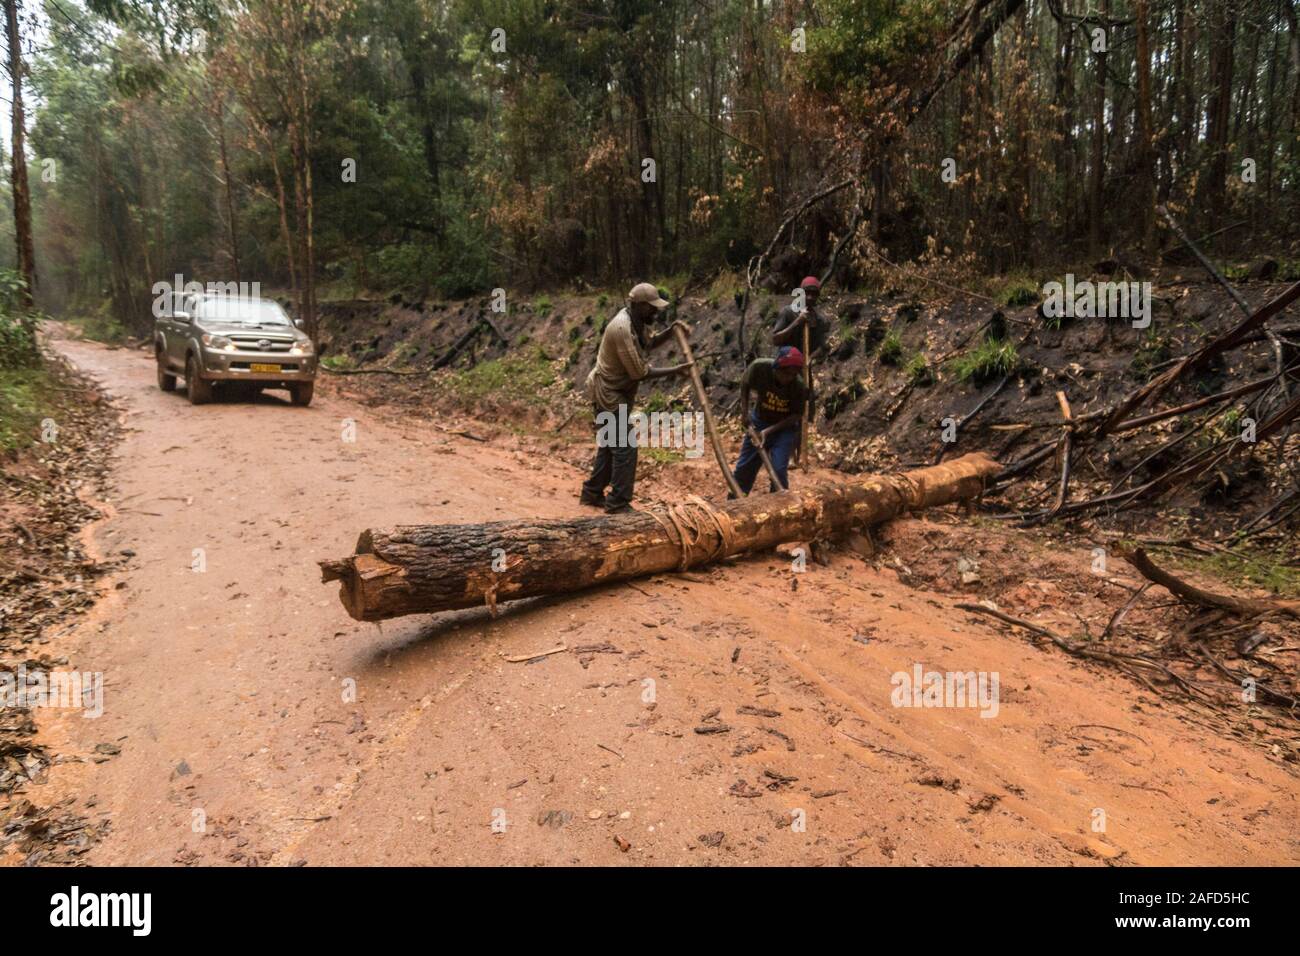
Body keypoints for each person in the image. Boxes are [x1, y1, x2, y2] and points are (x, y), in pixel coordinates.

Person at [580, 282, 690, 514]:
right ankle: (618, 503)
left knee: (611, 445)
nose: (656, 312)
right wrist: (676, 369)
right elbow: (639, 372)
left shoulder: (636, 322)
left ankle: (592, 493)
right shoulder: (621, 327)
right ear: (639, 305)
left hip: (615, 390)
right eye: (652, 307)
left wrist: (671, 331)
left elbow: (648, 343)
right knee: (625, 448)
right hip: (608, 392)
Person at [731, 346, 807, 495]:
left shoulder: (798, 386)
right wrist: (744, 413)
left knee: (778, 469)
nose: (788, 378)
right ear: (776, 367)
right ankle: (735, 500)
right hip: (760, 420)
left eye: (793, 374)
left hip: (784, 428)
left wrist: (768, 431)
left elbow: (797, 415)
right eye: (785, 373)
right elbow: (745, 383)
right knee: (745, 467)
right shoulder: (760, 368)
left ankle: (779, 505)